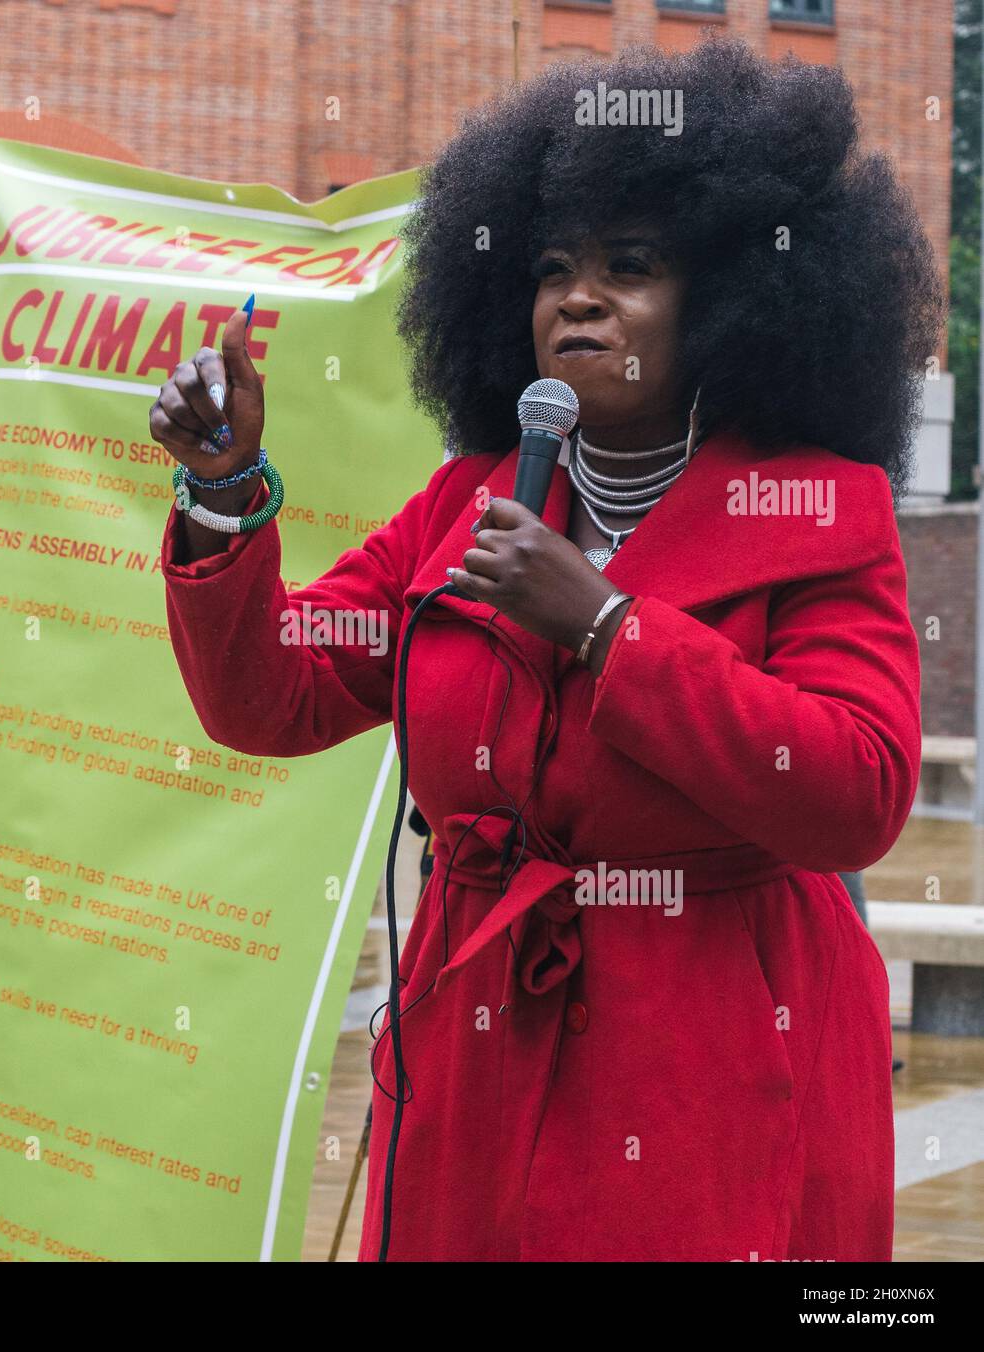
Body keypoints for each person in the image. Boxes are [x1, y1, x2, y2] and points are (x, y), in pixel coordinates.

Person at [152, 39, 939, 1260]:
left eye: (629, 268)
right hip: (474, 1038)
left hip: (712, 1054)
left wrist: (609, 627)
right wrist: (224, 489)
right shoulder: (468, 497)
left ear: (729, 298)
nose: (578, 297)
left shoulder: (819, 508)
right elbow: (275, 694)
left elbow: (856, 792)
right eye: (552, 270)